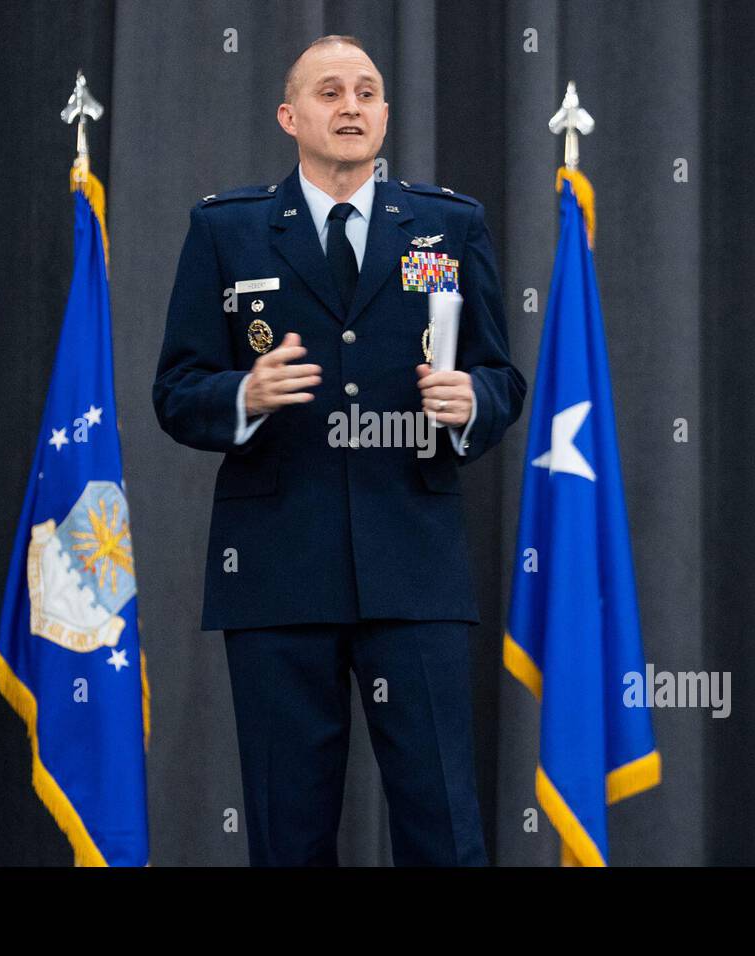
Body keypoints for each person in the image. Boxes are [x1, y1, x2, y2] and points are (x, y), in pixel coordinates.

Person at [152, 34, 525, 866]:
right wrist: (242, 396)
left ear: (386, 113)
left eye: (366, 91)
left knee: (445, 830)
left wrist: (473, 404)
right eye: (329, 92)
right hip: (280, 570)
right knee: (289, 834)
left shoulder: (449, 225)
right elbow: (176, 390)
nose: (351, 105)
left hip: (414, 569)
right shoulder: (229, 230)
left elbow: (501, 374)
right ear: (290, 116)